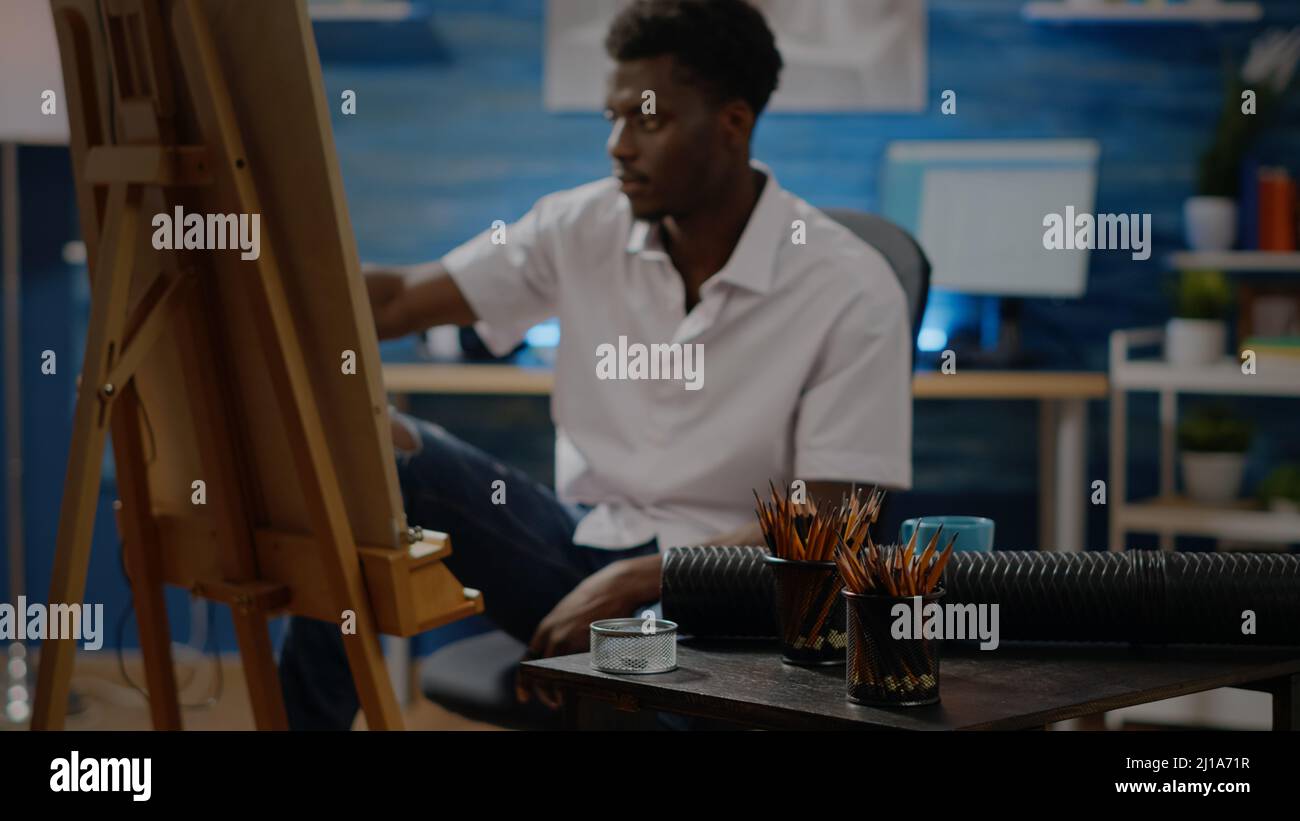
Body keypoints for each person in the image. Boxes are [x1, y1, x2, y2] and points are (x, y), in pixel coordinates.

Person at [279, 0, 912, 729]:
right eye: (611, 119)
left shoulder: (850, 286)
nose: (617, 146)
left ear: (733, 123)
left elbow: (828, 525)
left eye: (647, 121)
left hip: (737, 598)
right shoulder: (581, 222)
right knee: (377, 451)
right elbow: (393, 302)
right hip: (581, 546)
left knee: (636, 694)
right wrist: (249, 253)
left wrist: (640, 583)